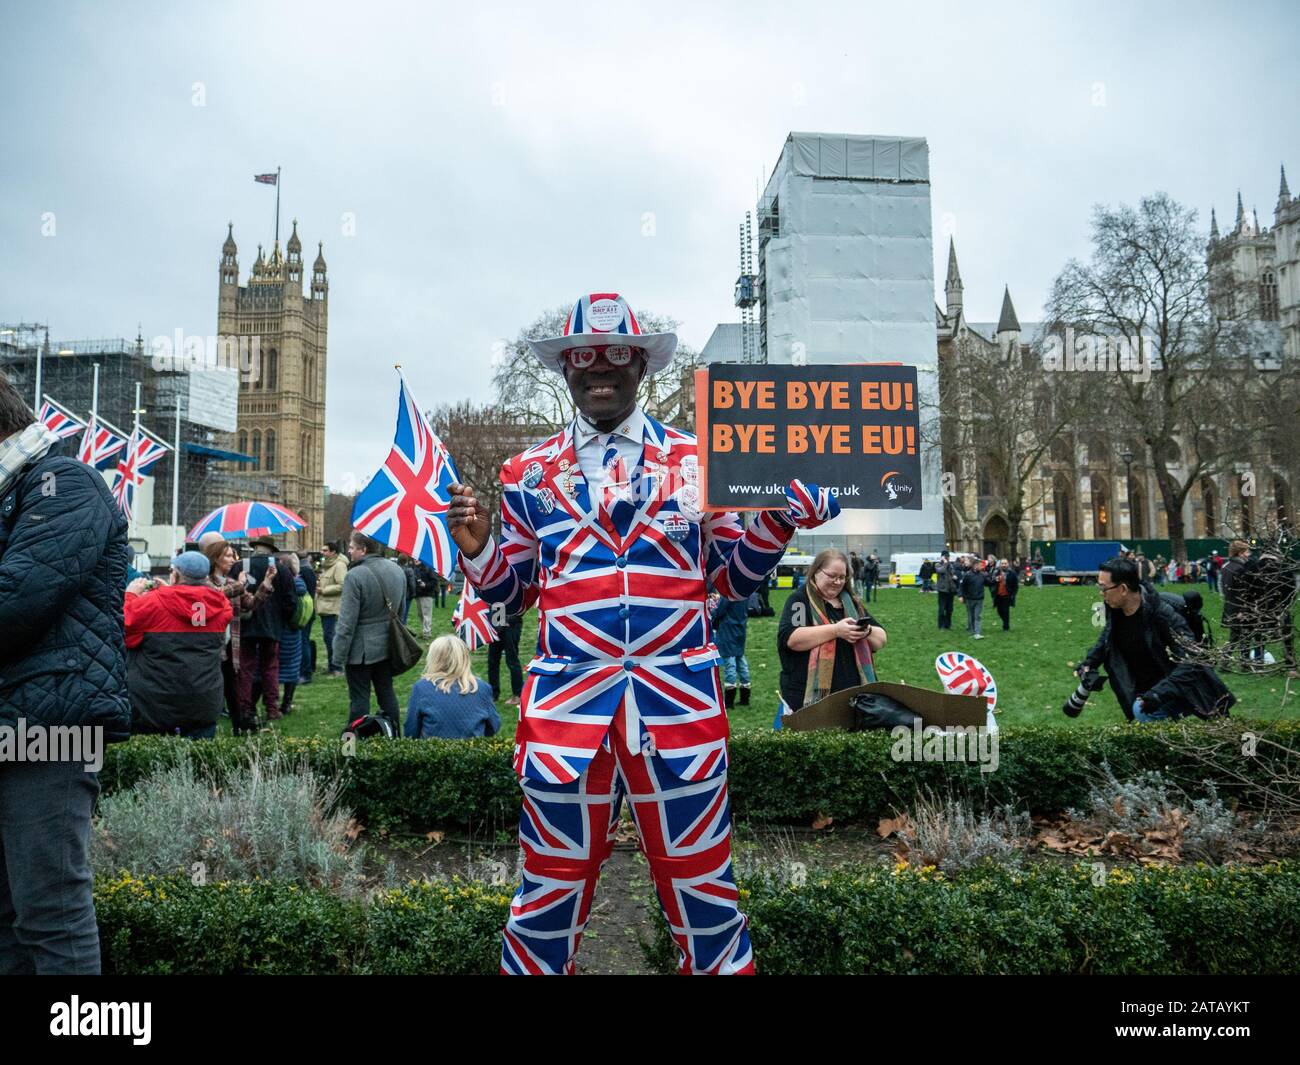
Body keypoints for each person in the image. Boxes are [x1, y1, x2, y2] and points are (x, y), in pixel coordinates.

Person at [447, 291, 838, 976]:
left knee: (706, 900)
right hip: (567, 718)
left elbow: (728, 581)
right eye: (584, 358)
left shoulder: (702, 458)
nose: (600, 369)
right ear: (565, 370)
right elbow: (516, 593)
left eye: (615, 356)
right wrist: (479, 552)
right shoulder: (526, 472)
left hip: (678, 710)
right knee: (546, 900)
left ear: (641, 365)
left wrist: (776, 523)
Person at [0, 381, 132, 974]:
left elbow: (17, 597)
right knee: (9, 916)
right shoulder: (15, 490)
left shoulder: (64, 481)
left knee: (51, 912)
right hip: (15, 718)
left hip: (52, 725)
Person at [1079, 555, 1235, 721]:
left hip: (1183, 691)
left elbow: (1193, 659)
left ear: (1123, 589)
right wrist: (1088, 664)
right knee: (1140, 715)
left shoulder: (1163, 614)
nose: (1101, 593)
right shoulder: (1116, 612)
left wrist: (1158, 694)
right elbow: (1105, 640)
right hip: (1147, 692)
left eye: (1104, 588)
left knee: (1141, 711)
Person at [124, 551, 232, 739]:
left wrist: (131, 596)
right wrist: (169, 591)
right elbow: (192, 610)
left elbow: (125, 629)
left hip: (154, 703)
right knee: (199, 760)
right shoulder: (222, 606)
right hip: (204, 700)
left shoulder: (153, 602)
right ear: (205, 576)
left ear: (175, 575)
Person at [778, 548, 886, 712]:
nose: (837, 582)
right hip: (807, 699)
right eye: (832, 576)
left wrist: (867, 631)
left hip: (854, 698)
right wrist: (836, 630)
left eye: (842, 577)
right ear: (816, 572)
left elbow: (881, 639)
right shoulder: (799, 601)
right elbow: (793, 639)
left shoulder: (852, 604)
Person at [333, 531, 406, 736]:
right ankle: (395, 739)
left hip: (360, 652)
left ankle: (351, 749)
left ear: (363, 550)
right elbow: (400, 612)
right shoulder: (397, 570)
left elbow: (346, 623)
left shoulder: (354, 575)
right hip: (388, 645)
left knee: (359, 700)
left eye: (352, 547)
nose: (349, 550)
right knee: (386, 693)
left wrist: (337, 657)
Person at [202, 537, 273, 733]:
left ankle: (239, 728)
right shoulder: (206, 581)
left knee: (233, 689)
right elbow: (215, 595)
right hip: (212, 645)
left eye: (233, 555)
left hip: (230, 644)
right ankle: (207, 727)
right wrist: (241, 585)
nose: (233, 559)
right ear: (216, 559)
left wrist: (265, 584)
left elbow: (250, 604)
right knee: (212, 689)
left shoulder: (233, 582)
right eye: (227, 555)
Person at [230, 536, 296, 723]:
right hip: (271, 625)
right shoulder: (282, 569)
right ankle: (272, 709)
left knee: (245, 668)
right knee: (270, 667)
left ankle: (244, 708)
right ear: (271, 550)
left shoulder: (240, 566)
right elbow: (290, 602)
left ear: (255, 548)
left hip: (246, 624)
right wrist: (282, 620)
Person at [405, 635, 501, 739]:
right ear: (464, 658)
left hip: (433, 752)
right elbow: (494, 726)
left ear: (434, 659)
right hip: (473, 751)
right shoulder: (481, 688)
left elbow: (411, 731)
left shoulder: (421, 688)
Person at [275, 552, 307, 716]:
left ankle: (272, 702)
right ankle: (287, 702)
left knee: (274, 666)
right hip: (295, 631)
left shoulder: (283, 584)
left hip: (281, 630)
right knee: (292, 667)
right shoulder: (300, 584)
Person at [712, 592, 752, 707]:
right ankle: (745, 696)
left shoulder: (728, 592)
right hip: (740, 629)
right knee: (741, 662)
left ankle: (729, 700)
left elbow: (719, 611)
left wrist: (712, 612)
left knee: (730, 664)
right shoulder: (744, 593)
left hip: (727, 631)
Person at [316, 540, 348, 677]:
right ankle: (331, 666)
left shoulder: (339, 565)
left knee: (331, 638)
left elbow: (342, 585)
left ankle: (337, 668)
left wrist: (323, 590)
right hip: (325, 607)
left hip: (333, 607)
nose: (322, 553)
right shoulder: (327, 565)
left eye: (325, 550)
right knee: (328, 638)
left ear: (333, 552)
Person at [487, 609, 525, 707]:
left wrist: (510, 618)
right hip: (495, 623)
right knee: (492, 661)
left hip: (511, 624)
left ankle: (517, 695)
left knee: (512, 661)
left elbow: (522, 603)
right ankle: (493, 695)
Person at [297, 551, 318, 684]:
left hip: (305, 610)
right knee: (305, 640)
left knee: (303, 641)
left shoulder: (303, 572)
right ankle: (307, 669)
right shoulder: (309, 570)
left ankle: (306, 672)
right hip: (309, 610)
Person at [959, 559, 989, 638]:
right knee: (971, 615)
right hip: (969, 599)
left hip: (979, 599)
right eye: (980, 565)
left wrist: (996, 580)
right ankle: (972, 631)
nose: (981, 566)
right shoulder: (967, 575)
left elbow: (988, 583)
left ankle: (977, 632)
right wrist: (961, 596)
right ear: (975, 566)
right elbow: (962, 586)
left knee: (978, 616)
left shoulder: (983, 575)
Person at [412, 557, 438, 639]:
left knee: (426, 614)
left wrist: (425, 585)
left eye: (418, 559)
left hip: (427, 595)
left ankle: (427, 633)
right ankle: (424, 630)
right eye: (414, 559)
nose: (415, 560)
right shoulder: (415, 569)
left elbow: (434, 581)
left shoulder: (428, 568)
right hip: (418, 595)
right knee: (420, 614)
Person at [991, 557, 1019, 631]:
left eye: (1005, 563)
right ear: (1000, 564)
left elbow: (1015, 585)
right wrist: (996, 580)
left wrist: (1013, 594)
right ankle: (1005, 622)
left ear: (1008, 564)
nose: (1003, 565)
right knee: (999, 611)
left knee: (1006, 611)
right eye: (1002, 563)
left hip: (1007, 595)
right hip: (998, 595)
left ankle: (1006, 627)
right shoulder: (996, 572)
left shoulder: (1012, 573)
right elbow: (992, 582)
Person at [934, 549, 958, 630]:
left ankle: (948, 625)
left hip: (950, 590)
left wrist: (954, 576)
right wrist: (945, 563)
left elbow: (952, 573)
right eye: (946, 556)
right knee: (942, 609)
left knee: (949, 609)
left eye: (948, 556)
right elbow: (941, 571)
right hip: (942, 590)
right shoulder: (938, 565)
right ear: (942, 557)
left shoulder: (950, 565)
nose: (947, 558)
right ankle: (941, 625)